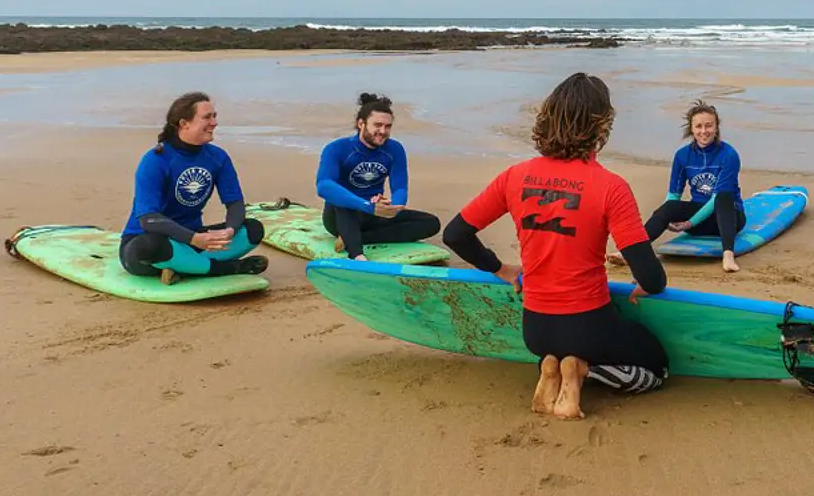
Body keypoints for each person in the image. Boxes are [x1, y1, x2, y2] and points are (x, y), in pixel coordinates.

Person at [441, 72, 668, 420]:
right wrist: (645, 285)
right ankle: (582, 371)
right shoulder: (611, 187)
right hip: (590, 325)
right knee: (658, 368)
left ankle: (552, 365)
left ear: (545, 119)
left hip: (536, 329)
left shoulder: (514, 177)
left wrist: (500, 269)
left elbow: (455, 234)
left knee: (562, 346)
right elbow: (652, 279)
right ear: (601, 125)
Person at [119, 92, 269, 284]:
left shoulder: (218, 157)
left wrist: (229, 231)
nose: (214, 123)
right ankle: (229, 268)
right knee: (149, 247)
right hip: (151, 243)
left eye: (215, 116)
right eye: (207, 117)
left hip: (193, 241)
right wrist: (193, 239)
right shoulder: (156, 160)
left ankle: (186, 267)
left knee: (253, 230)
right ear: (184, 123)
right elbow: (148, 219)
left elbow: (235, 203)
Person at [316, 92, 441, 260]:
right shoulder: (337, 148)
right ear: (361, 124)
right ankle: (357, 255)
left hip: (374, 213)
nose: (383, 131)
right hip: (341, 216)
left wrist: (393, 208)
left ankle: (357, 238)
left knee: (431, 223)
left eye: (388, 126)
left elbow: (400, 188)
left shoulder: (394, 149)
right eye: (378, 125)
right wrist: (367, 205)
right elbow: (324, 186)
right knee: (342, 202)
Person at [642, 100, 746, 273]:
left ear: (716, 128)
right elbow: (674, 195)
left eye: (708, 126)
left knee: (723, 196)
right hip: (700, 223)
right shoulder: (682, 156)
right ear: (691, 129)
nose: (704, 131)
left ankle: (728, 256)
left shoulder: (729, 155)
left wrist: (689, 223)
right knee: (669, 207)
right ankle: (635, 250)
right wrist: (671, 216)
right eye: (698, 126)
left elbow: (716, 199)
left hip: (730, 221)